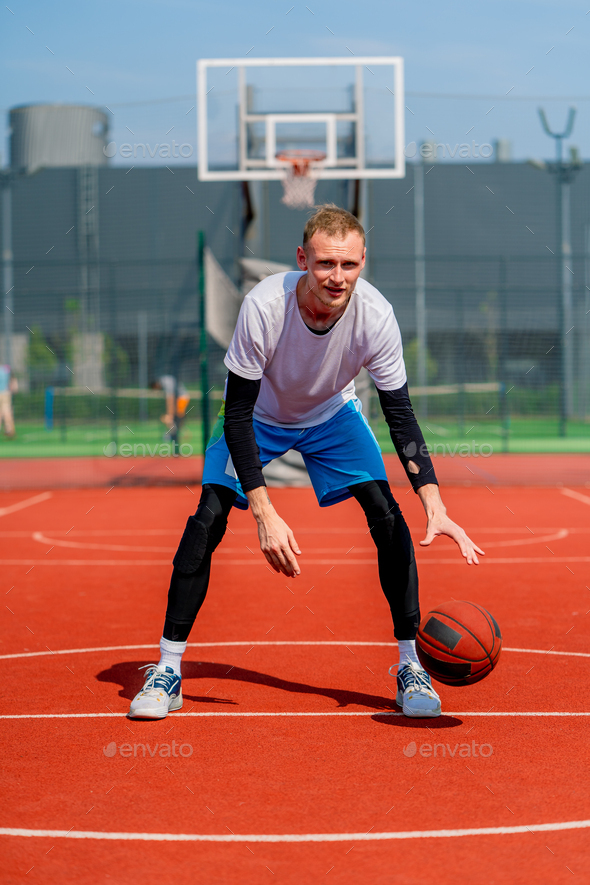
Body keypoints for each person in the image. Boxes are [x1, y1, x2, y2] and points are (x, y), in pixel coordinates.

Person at [130, 205, 483, 721]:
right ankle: (167, 669)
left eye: (348, 265)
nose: (336, 277)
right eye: (324, 264)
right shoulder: (264, 306)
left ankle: (411, 666)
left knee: (387, 514)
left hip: (331, 414)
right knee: (208, 518)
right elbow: (238, 415)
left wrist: (434, 501)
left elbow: (400, 416)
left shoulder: (377, 317)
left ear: (363, 261)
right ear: (302, 259)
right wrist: (265, 511)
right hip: (257, 417)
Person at [149, 374, 190, 454]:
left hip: (182, 398)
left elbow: (170, 400)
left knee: (173, 418)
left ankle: (172, 433)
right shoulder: (164, 380)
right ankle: (172, 432)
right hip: (179, 398)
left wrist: (170, 414)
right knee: (169, 419)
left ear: (155, 385)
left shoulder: (166, 383)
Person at [0, 364, 17, 439]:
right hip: (6, 393)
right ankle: (9, 430)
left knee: (3, 412)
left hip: (3, 393)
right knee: (7, 412)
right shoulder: (6, 368)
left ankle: (9, 430)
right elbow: (13, 379)